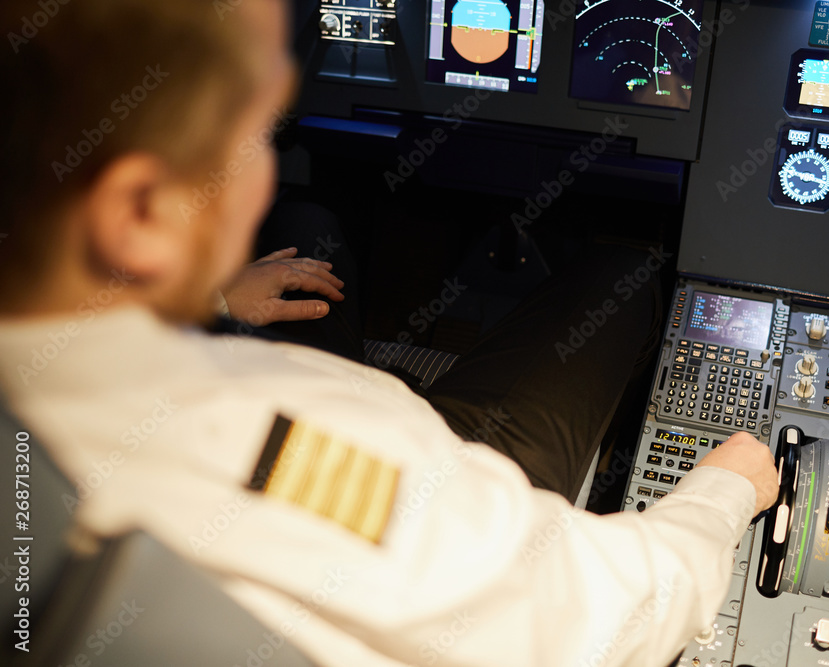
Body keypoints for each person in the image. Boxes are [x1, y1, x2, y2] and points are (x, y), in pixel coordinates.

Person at [0, 1, 779, 666]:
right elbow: (605, 611)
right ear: (136, 214)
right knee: (620, 275)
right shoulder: (325, 469)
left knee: (310, 225)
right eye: (251, 130)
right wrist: (725, 490)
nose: (260, 165)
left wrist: (207, 294)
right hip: (433, 479)